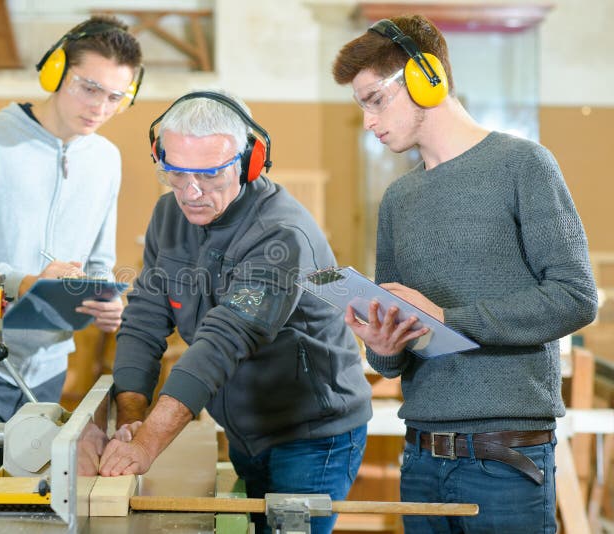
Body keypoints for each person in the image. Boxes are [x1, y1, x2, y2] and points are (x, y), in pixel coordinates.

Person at [333, 15, 598, 533]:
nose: (368, 121)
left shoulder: (524, 165)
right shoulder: (398, 198)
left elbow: (575, 296)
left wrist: (450, 319)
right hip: (422, 461)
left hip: (505, 462)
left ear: (424, 78)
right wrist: (384, 341)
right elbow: (389, 363)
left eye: (374, 99)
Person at [98, 90, 373, 534]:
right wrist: (130, 418)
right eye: (175, 172)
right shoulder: (169, 214)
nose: (190, 192)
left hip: (312, 435)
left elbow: (224, 341)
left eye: (208, 175)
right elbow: (146, 317)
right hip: (246, 431)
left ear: (250, 162)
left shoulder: (281, 234)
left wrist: (148, 445)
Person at [0, 15, 142, 468]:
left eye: (116, 97)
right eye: (89, 87)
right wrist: (22, 282)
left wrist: (105, 299)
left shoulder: (106, 159)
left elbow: (99, 261)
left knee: (29, 496)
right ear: (55, 71)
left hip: (49, 365)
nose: (100, 107)